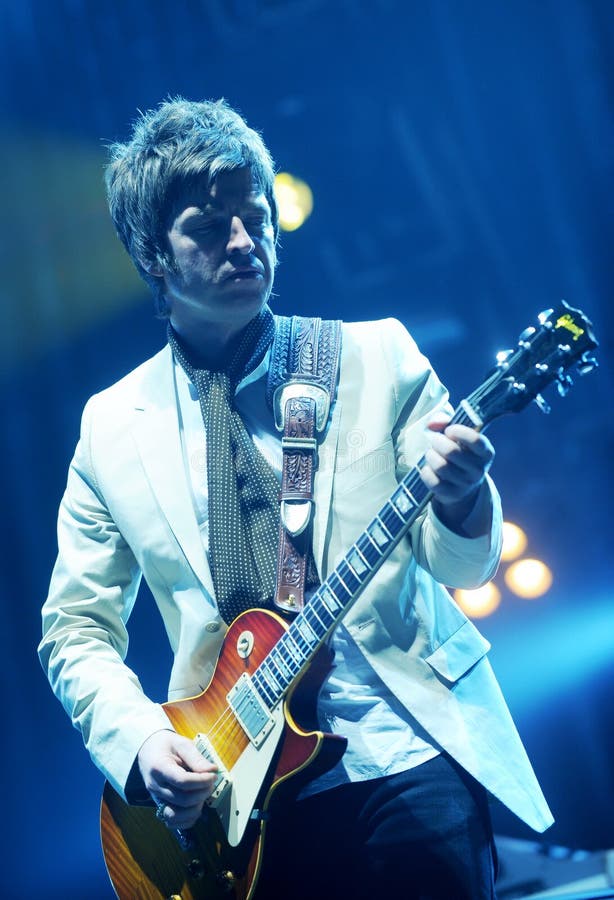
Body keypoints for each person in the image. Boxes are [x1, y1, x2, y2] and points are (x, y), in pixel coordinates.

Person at [39, 97, 552, 900]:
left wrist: (461, 496)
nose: (244, 242)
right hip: (236, 808)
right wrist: (139, 740)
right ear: (154, 255)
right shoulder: (111, 426)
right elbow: (74, 627)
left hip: (406, 753)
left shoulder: (375, 355)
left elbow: (464, 568)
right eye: (210, 228)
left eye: (256, 216)